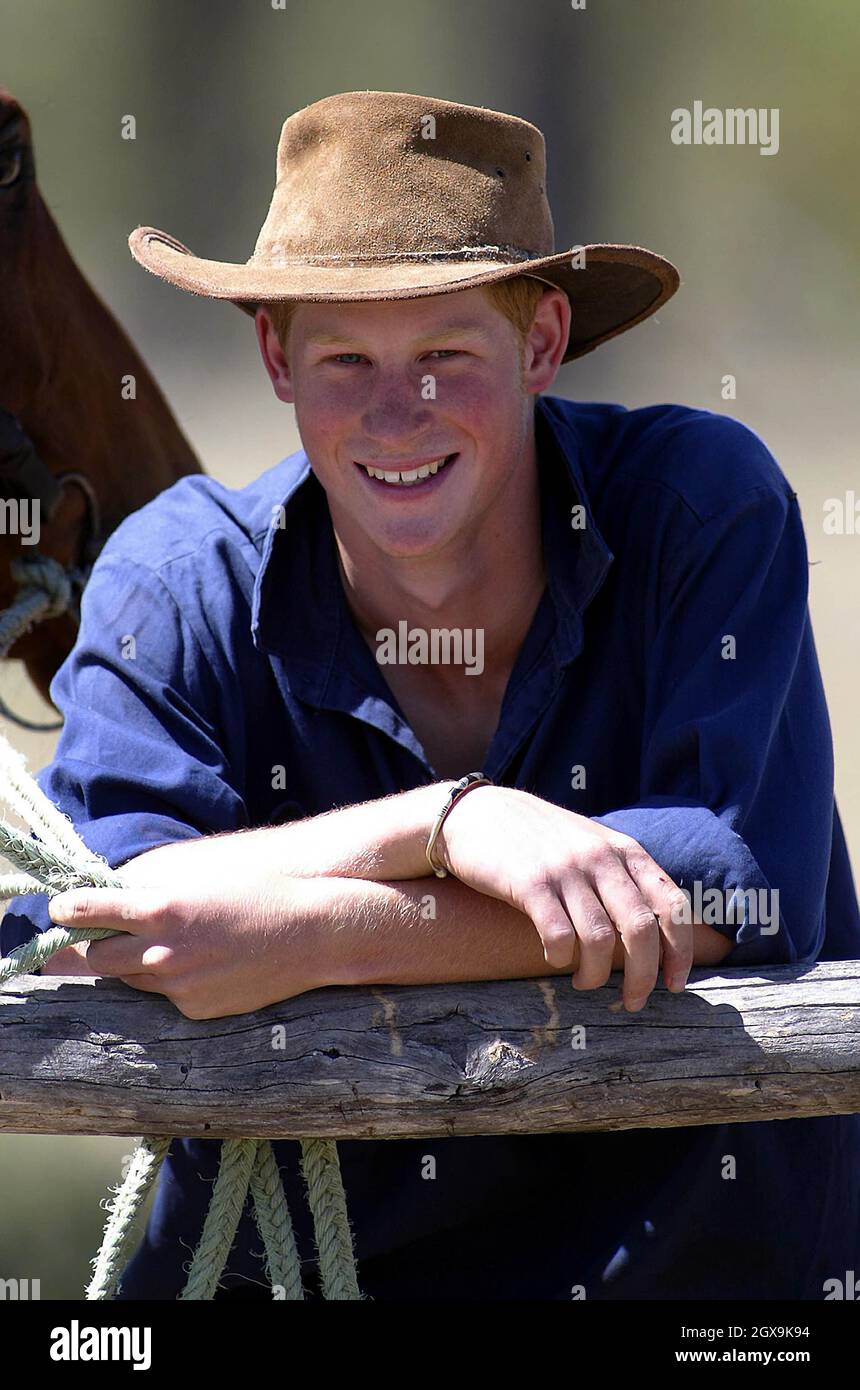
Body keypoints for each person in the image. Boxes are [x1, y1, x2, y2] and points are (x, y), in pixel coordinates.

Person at [3, 90, 858, 1301]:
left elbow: (733, 885)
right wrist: (451, 823)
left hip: (694, 1280)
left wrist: (303, 933)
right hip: (284, 1277)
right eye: (345, 356)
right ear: (274, 359)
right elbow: (93, 916)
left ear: (543, 342)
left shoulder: (700, 506)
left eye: (446, 355)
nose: (394, 414)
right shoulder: (175, 575)